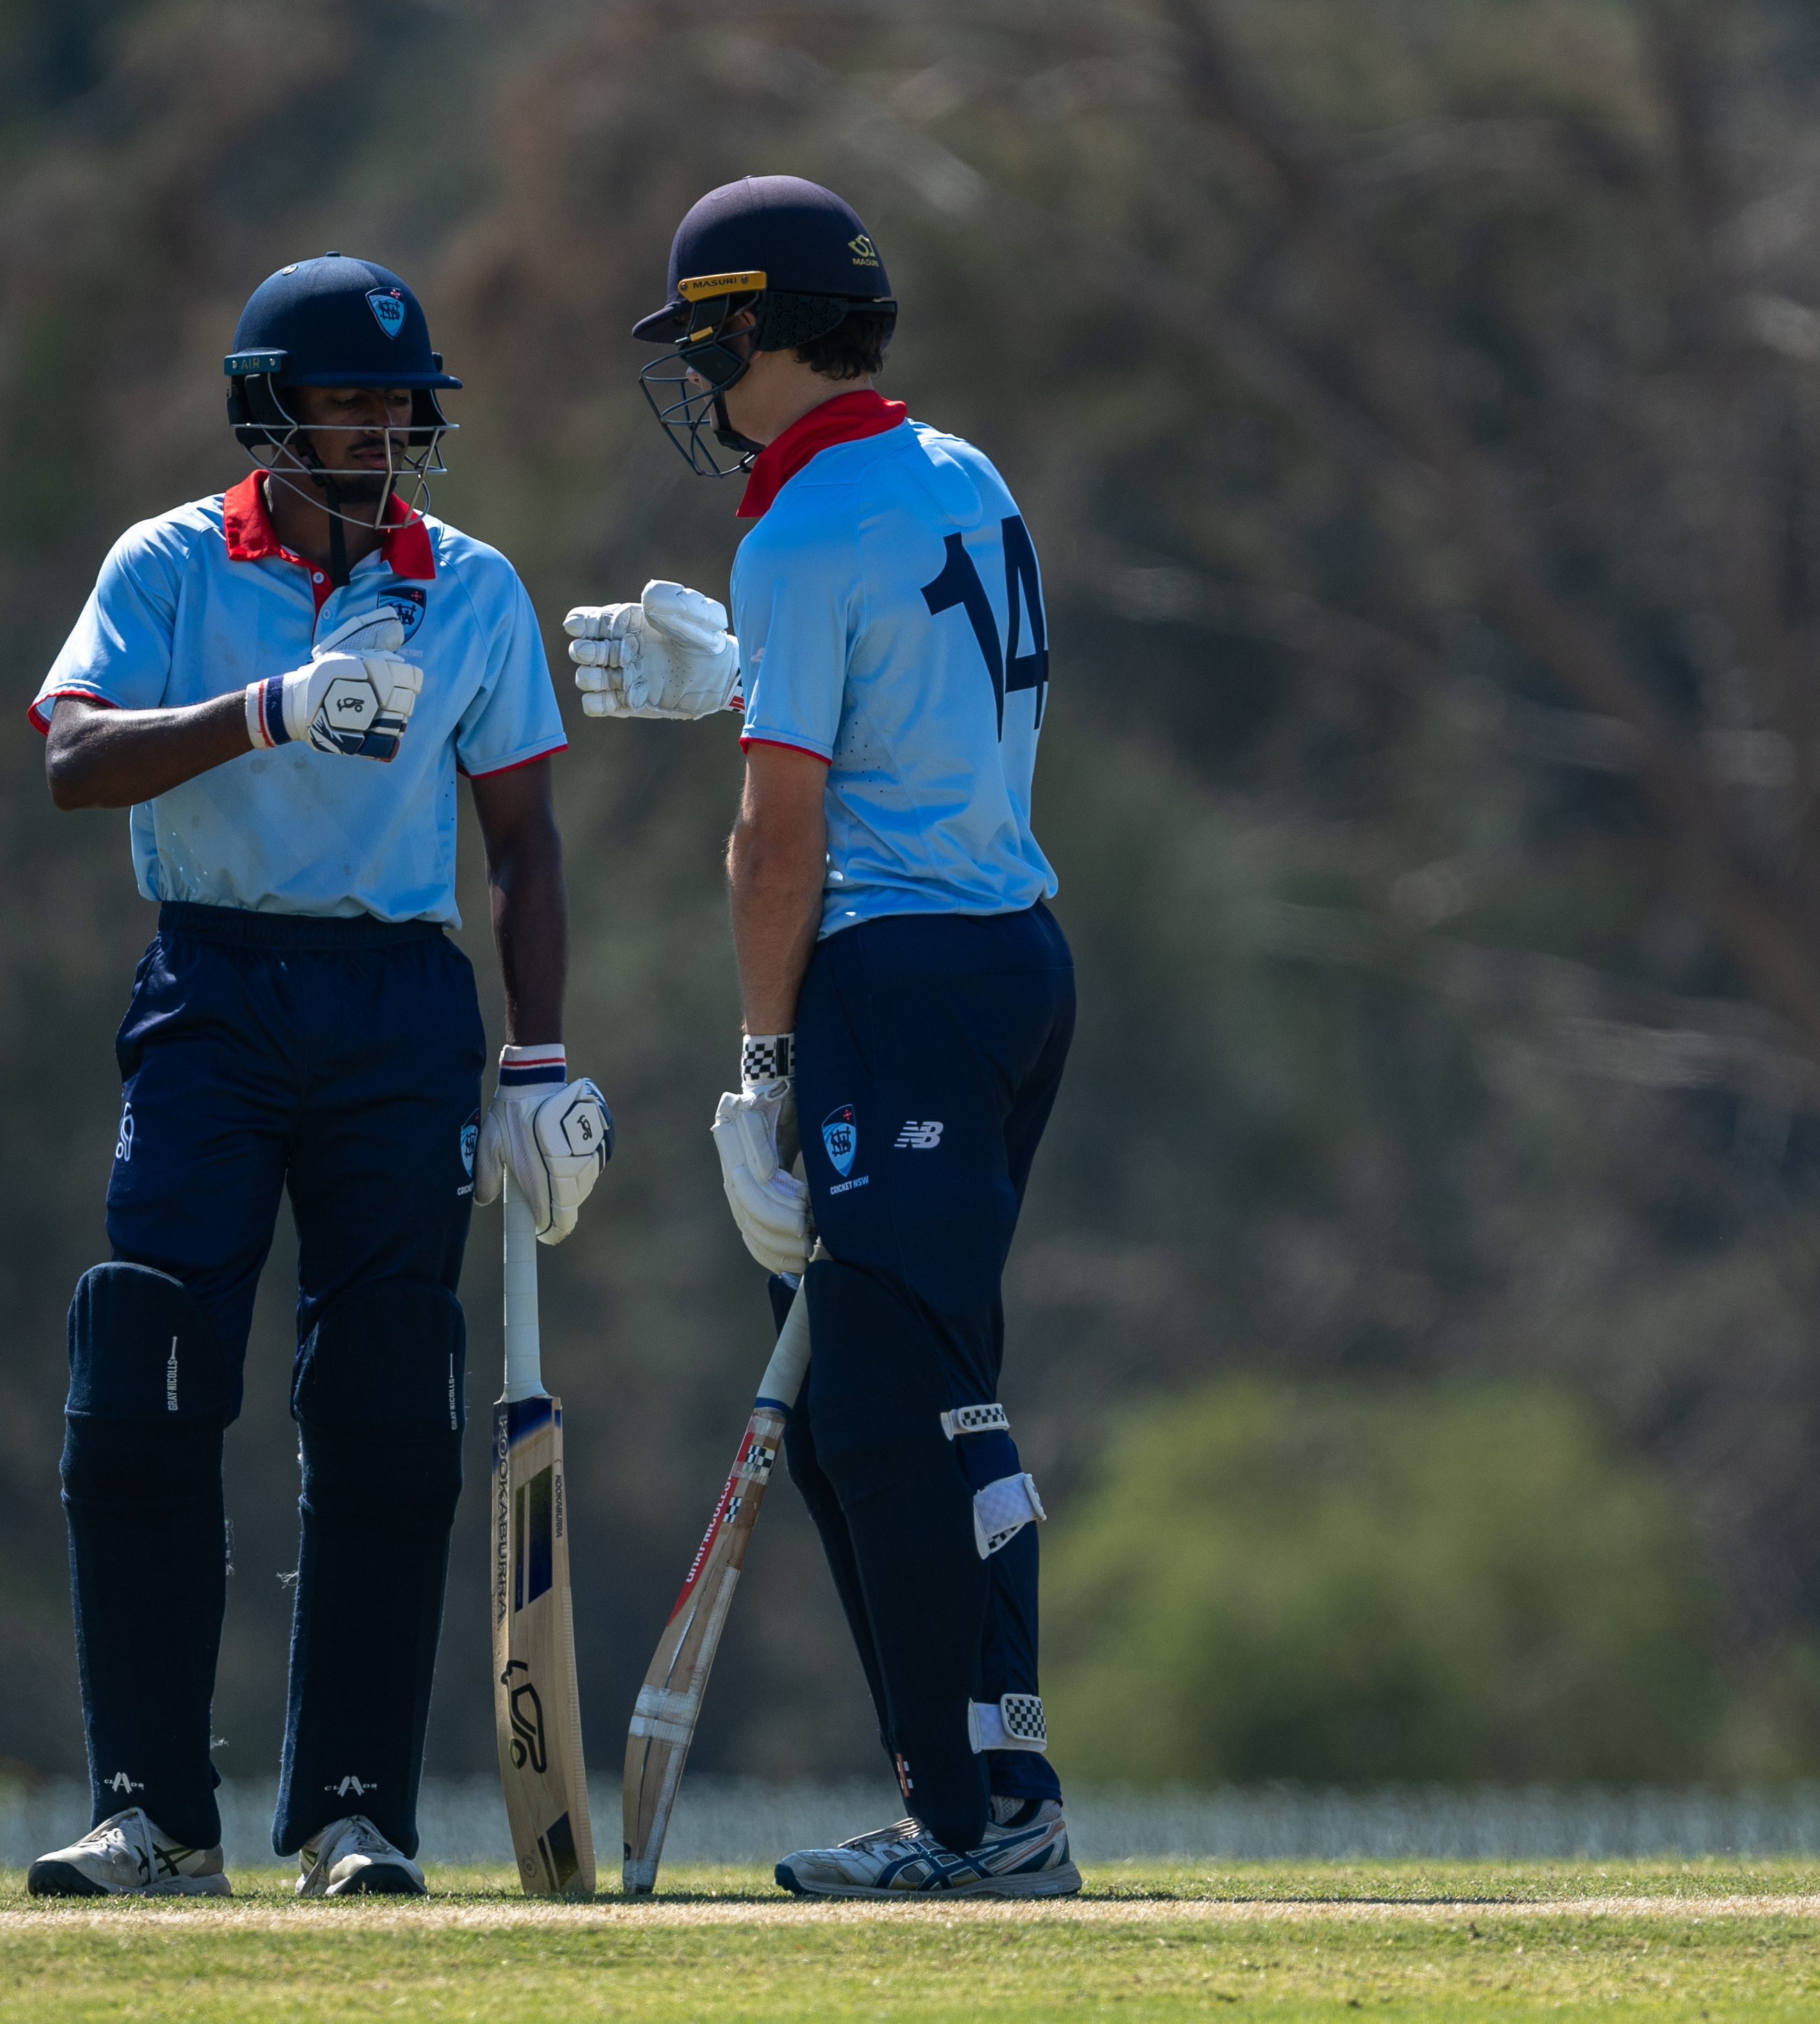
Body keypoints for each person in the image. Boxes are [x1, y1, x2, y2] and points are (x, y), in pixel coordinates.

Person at [24, 253, 609, 1898]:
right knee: (146, 1366)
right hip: (211, 985)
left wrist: (538, 1055)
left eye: (400, 402)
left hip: (396, 1002)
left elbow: (523, 842)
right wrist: (268, 709)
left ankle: (354, 1809)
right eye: (347, 399)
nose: (381, 429)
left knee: (382, 1399)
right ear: (270, 409)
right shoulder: (169, 561)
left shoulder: (472, 586)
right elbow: (74, 761)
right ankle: (151, 1810)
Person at [568, 177, 1079, 1900]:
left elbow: (775, 842)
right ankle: (974, 1787)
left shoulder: (794, 533)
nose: (702, 384)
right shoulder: (960, 472)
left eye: (708, 345)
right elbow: (915, 702)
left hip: (897, 978)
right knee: (916, 1397)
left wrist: (762, 1071)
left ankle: (981, 1817)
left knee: (885, 1409)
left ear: (752, 332)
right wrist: (745, 673)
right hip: (1009, 963)